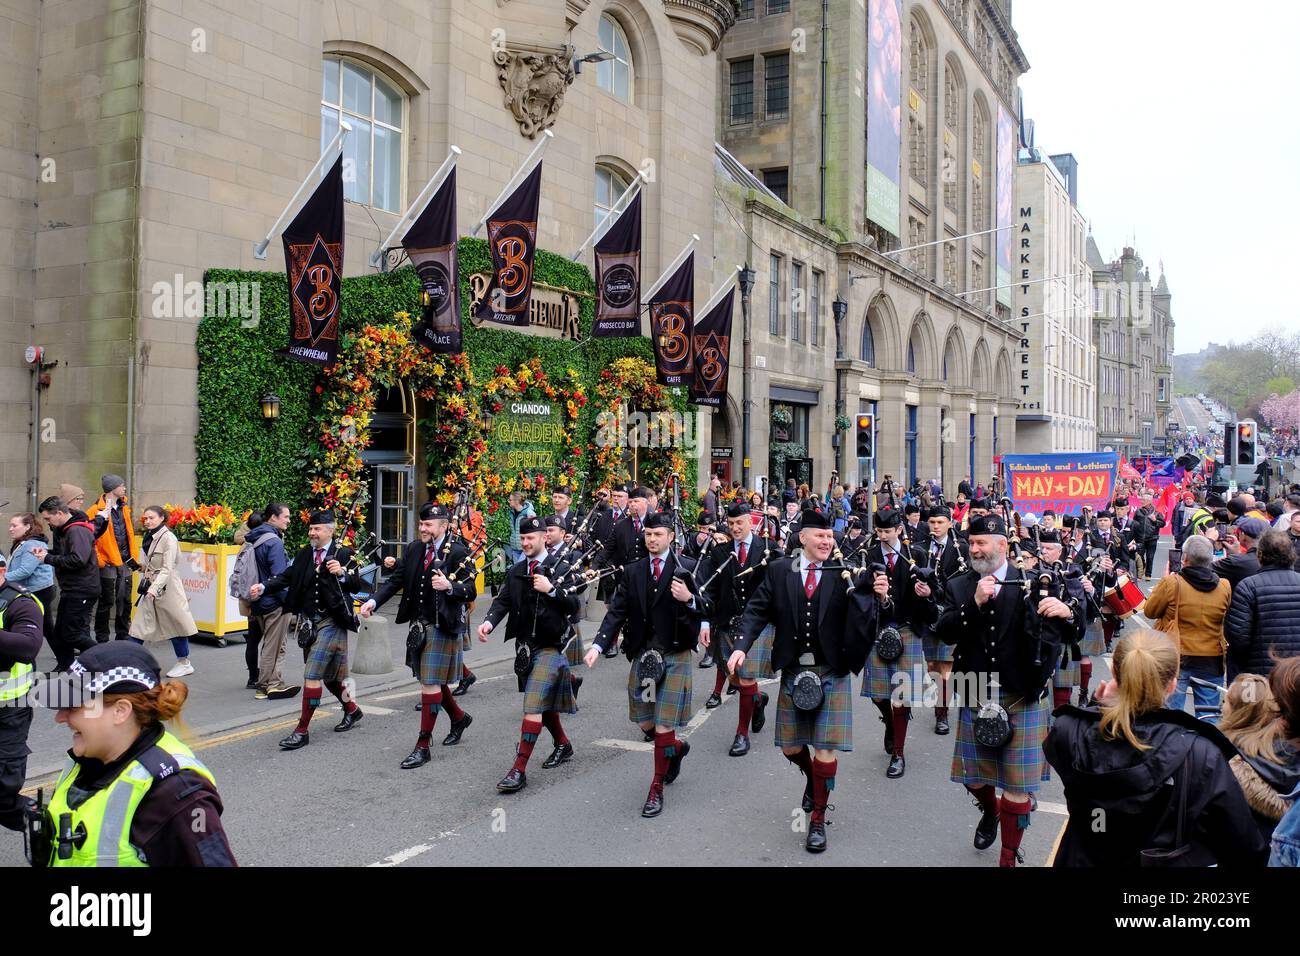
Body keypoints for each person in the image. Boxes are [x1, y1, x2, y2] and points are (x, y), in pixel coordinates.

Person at [1043, 630, 1268, 867]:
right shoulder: (1201, 754)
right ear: (1172, 684)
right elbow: (1245, 847)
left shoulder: (1068, 730)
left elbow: (1076, 749)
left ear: (1114, 673)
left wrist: (1097, 707)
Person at [933, 513, 1082, 866]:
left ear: (1003, 546)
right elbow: (945, 631)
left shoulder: (1034, 581)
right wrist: (975, 604)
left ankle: (1008, 857)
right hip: (975, 688)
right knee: (973, 777)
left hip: (1021, 692)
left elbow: (1070, 635)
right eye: (971, 543)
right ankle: (990, 810)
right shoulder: (959, 585)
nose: (975, 549)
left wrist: (1068, 615)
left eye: (982, 543)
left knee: (1017, 785)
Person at [729, 508, 876, 853]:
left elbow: (863, 619)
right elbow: (756, 610)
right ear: (803, 538)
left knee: (825, 750)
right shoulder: (781, 571)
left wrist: (874, 595)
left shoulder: (845, 574)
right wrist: (740, 646)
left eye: (830, 536)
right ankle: (812, 778)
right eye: (821, 536)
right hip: (795, 670)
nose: (827, 541)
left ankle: (818, 820)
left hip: (831, 671)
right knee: (792, 747)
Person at [32, 642, 236, 866]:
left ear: (120, 711)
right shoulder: (89, 760)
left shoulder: (177, 794)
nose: (60, 717)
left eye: (73, 706)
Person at [586, 511, 708, 818]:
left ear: (670, 537)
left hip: (675, 653)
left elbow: (709, 605)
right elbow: (617, 612)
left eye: (658, 534)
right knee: (645, 721)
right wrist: (599, 645)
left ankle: (656, 788)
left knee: (665, 722)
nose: (652, 539)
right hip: (644, 654)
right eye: (649, 534)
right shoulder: (634, 570)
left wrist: (689, 598)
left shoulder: (688, 568)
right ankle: (676, 750)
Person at [361, 503, 476, 768]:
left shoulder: (458, 551)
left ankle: (423, 745)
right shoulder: (414, 549)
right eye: (421, 524)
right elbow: (395, 580)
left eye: (428, 525)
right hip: (419, 625)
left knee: (430, 684)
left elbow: (470, 589)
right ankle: (459, 718)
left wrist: (450, 586)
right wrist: (374, 602)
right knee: (430, 680)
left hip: (442, 624)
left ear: (444, 526)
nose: (422, 528)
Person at [479, 516, 583, 792]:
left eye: (531, 538)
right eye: (522, 539)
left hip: (552, 646)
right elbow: (502, 601)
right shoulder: (515, 571)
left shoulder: (561, 567)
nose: (525, 543)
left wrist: (551, 590)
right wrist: (489, 622)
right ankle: (563, 744)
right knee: (543, 704)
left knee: (533, 704)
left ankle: (519, 769)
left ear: (543, 538)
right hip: (525, 647)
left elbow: (575, 605)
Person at [251, 511, 365, 751]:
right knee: (331, 678)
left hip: (332, 622)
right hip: (309, 625)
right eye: (311, 528)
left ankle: (301, 730)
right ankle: (352, 709)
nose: (312, 533)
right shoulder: (305, 554)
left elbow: (361, 584)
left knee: (312, 676)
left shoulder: (343, 554)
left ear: (330, 530)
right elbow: (287, 576)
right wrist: (264, 586)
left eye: (318, 529)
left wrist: (342, 573)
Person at [861, 507, 937, 779]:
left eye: (887, 532)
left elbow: (933, 596)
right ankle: (891, 724)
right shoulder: (868, 556)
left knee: (901, 695)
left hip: (907, 628)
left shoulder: (915, 555)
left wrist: (926, 594)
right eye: (879, 532)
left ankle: (899, 754)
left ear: (899, 530)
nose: (882, 536)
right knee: (878, 694)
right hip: (879, 629)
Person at [700, 502, 777, 755]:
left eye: (739, 523)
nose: (734, 528)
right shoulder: (720, 552)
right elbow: (710, 589)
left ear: (751, 522)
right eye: (731, 524)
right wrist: (704, 621)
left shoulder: (767, 549)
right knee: (735, 676)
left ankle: (741, 734)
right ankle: (757, 700)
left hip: (758, 624)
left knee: (745, 676)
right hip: (727, 621)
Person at [1144, 534, 1231, 720]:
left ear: (1184, 559)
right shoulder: (1224, 586)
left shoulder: (1173, 583)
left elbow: (1150, 611)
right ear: (1210, 559)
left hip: (1177, 656)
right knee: (1209, 717)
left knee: (1172, 716)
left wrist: (1164, 581)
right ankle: (1208, 748)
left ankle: (1174, 748)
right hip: (1212, 657)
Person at [1219, 667, 1300, 840]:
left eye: (1225, 701)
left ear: (1237, 711)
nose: (1222, 706)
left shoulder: (1225, 754)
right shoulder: (1291, 747)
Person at [127, 506, 199, 678]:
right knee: (138, 627)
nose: (148, 521)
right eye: (146, 518)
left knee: (176, 625)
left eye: (151, 518)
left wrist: (153, 589)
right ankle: (129, 662)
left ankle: (184, 662)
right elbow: (155, 565)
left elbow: (167, 569)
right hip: (154, 587)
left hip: (167, 588)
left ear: (161, 518)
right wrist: (140, 566)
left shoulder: (168, 539)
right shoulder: (151, 537)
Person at [0, 561, 43, 833]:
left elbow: (28, 647)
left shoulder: (20, 602)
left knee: (3, 795)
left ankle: (48, 829)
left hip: (9, 708)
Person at [33, 496, 100, 670]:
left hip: (82, 589)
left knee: (72, 634)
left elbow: (78, 559)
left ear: (60, 513)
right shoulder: (67, 530)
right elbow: (66, 553)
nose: (48, 523)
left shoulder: (77, 531)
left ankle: (106, 658)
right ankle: (66, 667)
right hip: (72, 588)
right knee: (60, 633)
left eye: (48, 518)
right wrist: (46, 552)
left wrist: (47, 558)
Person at [1226, 530, 1300, 680]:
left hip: (1258, 674)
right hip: (1295, 672)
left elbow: (1238, 637)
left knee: (1255, 703)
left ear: (1260, 554)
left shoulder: (1249, 586)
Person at [243, 503, 299, 700]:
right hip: (274, 601)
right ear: (273, 518)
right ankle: (265, 685)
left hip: (257, 600)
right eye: (286, 516)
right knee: (272, 645)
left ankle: (275, 682)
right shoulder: (273, 542)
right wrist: (290, 602)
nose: (289, 520)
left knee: (275, 644)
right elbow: (279, 577)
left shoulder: (254, 537)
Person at [594, 486, 651, 657]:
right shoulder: (620, 526)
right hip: (625, 578)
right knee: (617, 610)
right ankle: (613, 643)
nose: (633, 505)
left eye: (636, 501)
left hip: (649, 579)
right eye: (631, 501)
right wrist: (594, 568)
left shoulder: (654, 522)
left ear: (646, 503)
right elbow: (607, 549)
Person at [85, 475, 140, 644]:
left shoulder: (124, 507)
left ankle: (122, 635)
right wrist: (100, 560)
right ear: (111, 488)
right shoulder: (94, 511)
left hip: (125, 560)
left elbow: (128, 533)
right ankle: (102, 638)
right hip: (107, 562)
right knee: (106, 601)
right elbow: (90, 538)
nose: (124, 488)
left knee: (125, 600)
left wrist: (132, 557)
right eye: (121, 485)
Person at [7, 513, 57, 655]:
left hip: (38, 591)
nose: (10, 529)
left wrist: (3, 578)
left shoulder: (32, 544)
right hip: (35, 590)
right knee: (47, 628)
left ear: (28, 527)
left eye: (14, 525)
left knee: (37, 628)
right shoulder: (24, 542)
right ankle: (66, 661)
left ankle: (67, 661)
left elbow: (25, 571)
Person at [233, 513, 265, 689]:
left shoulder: (245, 544)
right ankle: (262, 677)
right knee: (266, 640)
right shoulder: (261, 545)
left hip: (247, 599)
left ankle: (253, 677)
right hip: (258, 598)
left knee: (253, 639)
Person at [1214, 517, 1266, 591]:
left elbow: (1204, 569)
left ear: (1243, 535)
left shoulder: (1236, 561)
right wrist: (1237, 554)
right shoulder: (1275, 558)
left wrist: (1210, 540)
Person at [1131, 494, 1163, 581]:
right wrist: (1133, 536)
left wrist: (1155, 520)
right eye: (1141, 500)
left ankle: (1148, 574)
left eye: (1144, 500)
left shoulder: (1157, 512)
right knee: (1140, 556)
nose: (1141, 501)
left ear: (1149, 501)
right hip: (1140, 538)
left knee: (1150, 557)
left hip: (1152, 537)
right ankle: (1141, 570)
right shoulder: (1138, 511)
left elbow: (1162, 524)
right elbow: (1134, 524)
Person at [505, 491, 535, 566]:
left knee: (522, 569)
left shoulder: (529, 513)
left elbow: (534, 531)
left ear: (516, 501)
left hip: (525, 548)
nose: (509, 501)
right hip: (515, 548)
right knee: (517, 570)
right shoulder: (512, 513)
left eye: (510, 500)